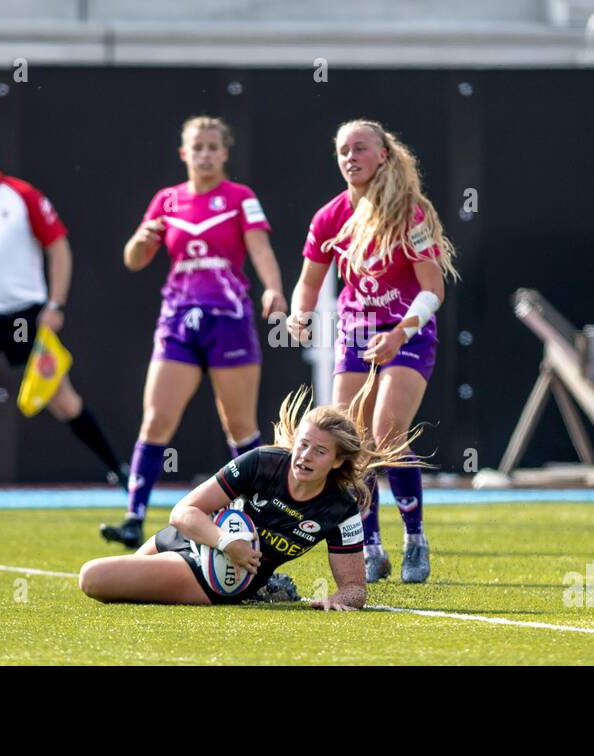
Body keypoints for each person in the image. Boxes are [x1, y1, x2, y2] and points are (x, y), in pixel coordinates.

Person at [79, 370, 424, 608]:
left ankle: (261, 588)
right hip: (197, 537)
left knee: (93, 578)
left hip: (220, 576)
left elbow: (355, 589)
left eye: (319, 451)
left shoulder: (340, 508)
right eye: (303, 445)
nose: (304, 456)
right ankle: (271, 588)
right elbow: (183, 513)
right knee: (127, 573)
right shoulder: (262, 462)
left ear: (337, 461)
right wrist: (229, 543)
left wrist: (340, 600)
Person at [100, 116, 287, 548]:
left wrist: (273, 288)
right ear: (183, 153)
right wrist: (142, 239)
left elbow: (260, 248)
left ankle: (256, 516)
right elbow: (133, 259)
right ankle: (134, 516)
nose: (204, 154)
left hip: (229, 320)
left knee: (239, 425)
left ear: (225, 153)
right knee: (156, 419)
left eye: (212, 146)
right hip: (178, 321)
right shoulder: (166, 201)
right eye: (196, 147)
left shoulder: (240, 198)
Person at [288, 119, 460, 583]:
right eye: (343, 150)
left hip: (407, 331)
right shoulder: (330, 215)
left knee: (387, 431)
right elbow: (309, 280)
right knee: (350, 443)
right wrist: (298, 314)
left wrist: (400, 333)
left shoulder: (411, 212)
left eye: (359, 148)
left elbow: (433, 288)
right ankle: (371, 546)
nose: (350, 157)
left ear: (383, 154)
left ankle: (415, 540)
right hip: (357, 332)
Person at [0, 121, 125, 506]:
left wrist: (55, 305)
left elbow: (59, 247)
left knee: (62, 400)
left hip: (23, 317)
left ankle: (118, 471)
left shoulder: (21, 196)